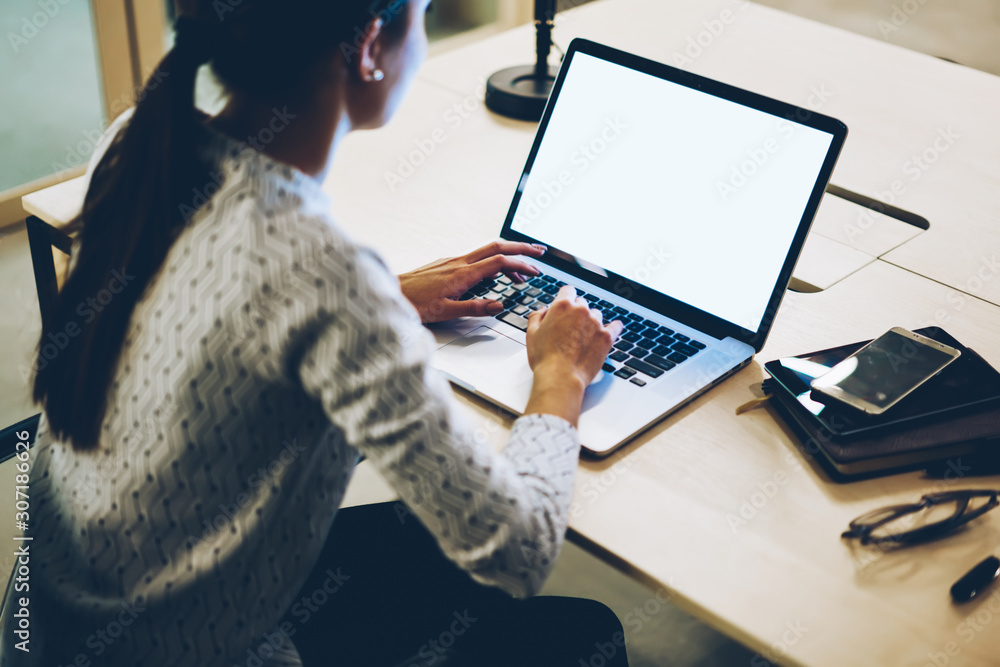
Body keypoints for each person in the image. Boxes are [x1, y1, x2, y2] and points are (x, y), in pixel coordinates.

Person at [0, 1, 630, 665]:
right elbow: (518, 549)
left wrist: (386, 298)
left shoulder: (137, 144)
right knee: (586, 633)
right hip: (199, 646)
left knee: (409, 534)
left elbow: (242, 329)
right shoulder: (326, 281)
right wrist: (562, 372)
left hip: (47, 631)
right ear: (367, 48)